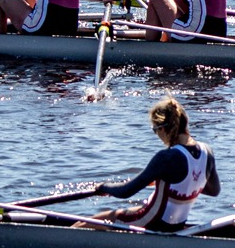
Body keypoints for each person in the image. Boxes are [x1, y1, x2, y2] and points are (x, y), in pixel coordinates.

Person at [92, 98, 221, 231]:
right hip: (176, 224)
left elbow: (125, 191)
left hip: (152, 224)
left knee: (95, 221)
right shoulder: (207, 152)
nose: (157, 135)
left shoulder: (166, 158)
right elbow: (214, 191)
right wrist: (181, 184)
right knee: (130, 210)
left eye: (155, 130)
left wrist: (103, 187)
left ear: (163, 129)